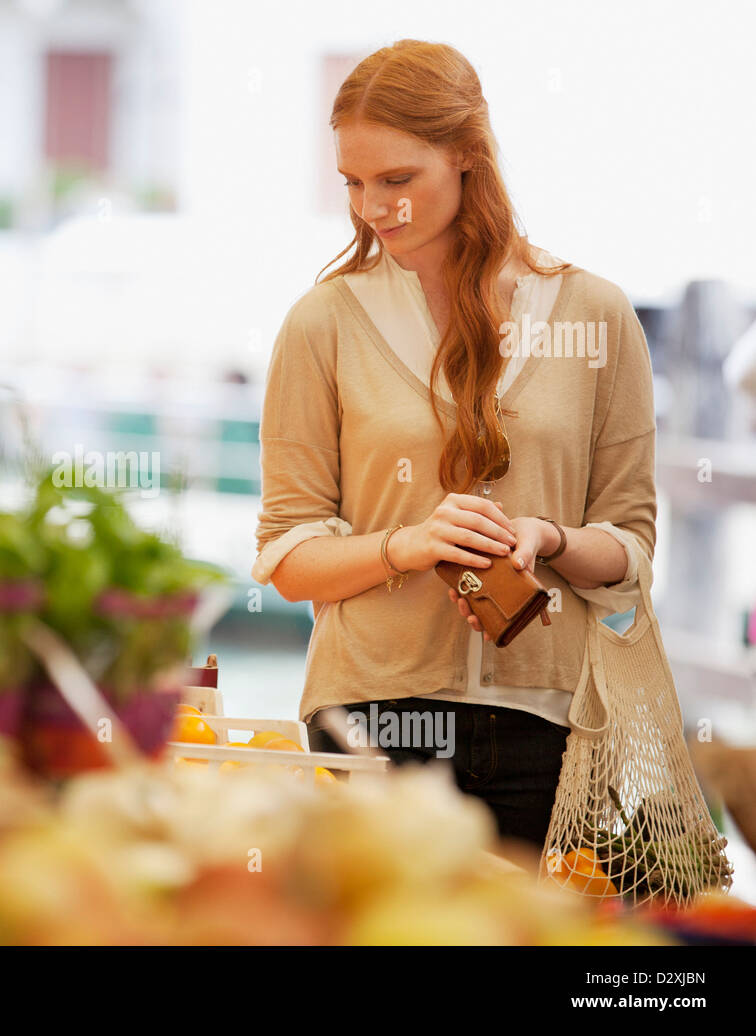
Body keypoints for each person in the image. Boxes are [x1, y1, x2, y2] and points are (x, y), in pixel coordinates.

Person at [253, 39, 657, 853]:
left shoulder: (596, 315)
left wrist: (548, 540)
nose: (373, 206)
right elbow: (286, 555)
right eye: (354, 183)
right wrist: (405, 545)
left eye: (398, 179)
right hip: (370, 715)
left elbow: (632, 546)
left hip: (549, 726)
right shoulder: (323, 323)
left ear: (469, 156)